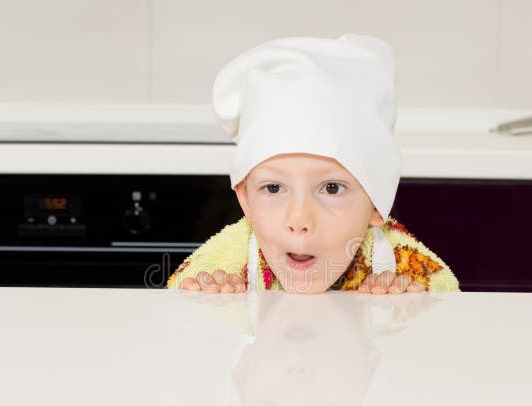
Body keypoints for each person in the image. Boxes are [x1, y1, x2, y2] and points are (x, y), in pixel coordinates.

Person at [167, 34, 459, 294]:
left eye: (331, 188)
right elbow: (176, 305)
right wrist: (210, 299)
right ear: (245, 198)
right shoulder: (233, 253)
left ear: (375, 202)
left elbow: (448, 304)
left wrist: (408, 306)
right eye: (273, 187)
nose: (299, 221)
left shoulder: (400, 259)